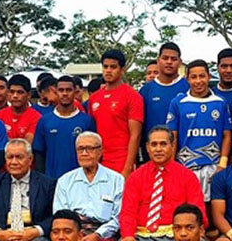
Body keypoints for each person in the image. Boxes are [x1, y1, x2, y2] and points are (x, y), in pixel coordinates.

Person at [115, 126, 205, 241]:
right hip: (142, 236)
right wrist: (127, 235)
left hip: (176, 235)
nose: (158, 149)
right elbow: (128, 210)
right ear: (147, 147)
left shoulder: (187, 176)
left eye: (163, 144)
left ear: (172, 146)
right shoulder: (136, 176)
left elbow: (197, 210)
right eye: (154, 145)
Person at [166, 59, 231, 205]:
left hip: (213, 166)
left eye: (202, 76)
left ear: (209, 76)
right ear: (187, 79)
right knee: (187, 209)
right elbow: (173, 137)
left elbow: (227, 135)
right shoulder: (178, 103)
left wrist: (222, 164)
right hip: (186, 167)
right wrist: (171, 166)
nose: (198, 81)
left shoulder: (220, 102)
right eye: (193, 77)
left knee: (212, 211)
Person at [52, 132, 124, 241]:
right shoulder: (65, 181)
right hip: (72, 232)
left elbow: (118, 218)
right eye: (80, 149)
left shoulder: (116, 180)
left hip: (104, 232)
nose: (84, 153)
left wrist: (97, 235)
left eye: (89, 149)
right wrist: (75, 236)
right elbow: (60, 215)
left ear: (100, 151)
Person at [87, 49, 143, 177]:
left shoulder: (132, 96)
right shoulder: (94, 98)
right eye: (105, 67)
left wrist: (128, 167)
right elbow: (91, 133)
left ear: (122, 70)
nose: (108, 70)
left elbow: (136, 134)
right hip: (99, 161)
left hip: (121, 162)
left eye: (113, 67)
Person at [33, 78, 96, 179]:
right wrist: (43, 179)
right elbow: (39, 153)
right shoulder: (45, 121)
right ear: (56, 92)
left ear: (75, 92)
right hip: (52, 181)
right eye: (61, 90)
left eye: (68, 90)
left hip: (80, 180)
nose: (65, 93)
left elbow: (93, 152)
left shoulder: (86, 121)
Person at [139, 42, 189, 145]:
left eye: (173, 59)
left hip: (183, 152)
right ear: (158, 60)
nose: (169, 62)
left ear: (180, 62)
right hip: (153, 152)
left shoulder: (188, 88)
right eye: (165, 58)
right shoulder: (146, 90)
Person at [0, 74, 42, 142]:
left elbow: (26, 144)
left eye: (20, 92)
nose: (15, 96)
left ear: (28, 95)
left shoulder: (36, 118)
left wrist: (4, 139)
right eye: (12, 92)